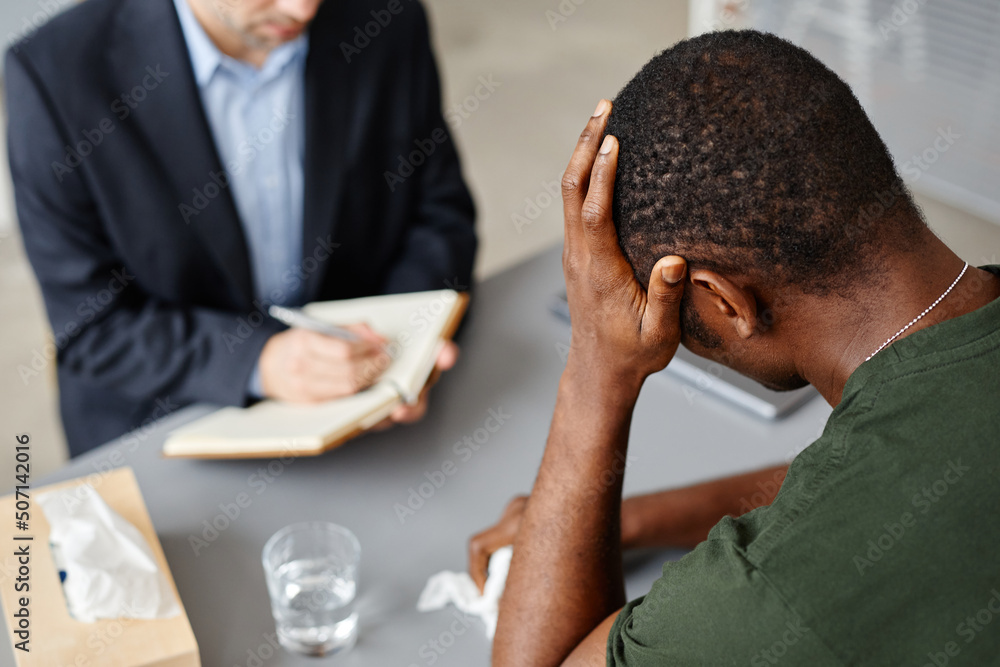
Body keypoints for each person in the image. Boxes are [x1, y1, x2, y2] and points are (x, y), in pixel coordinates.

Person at [471, 31, 1000, 665]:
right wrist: (631, 521)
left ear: (723, 302)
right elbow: (894, 460)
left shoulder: (771, 594)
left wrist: (597, 366)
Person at [6, 0, 476, 456]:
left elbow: (439, 214)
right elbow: (90, 324)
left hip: (366, 414)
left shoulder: (388, 17)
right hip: (169, 421)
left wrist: (405, 351)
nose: (303, 9)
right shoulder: (55, 74)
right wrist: (259, 362)